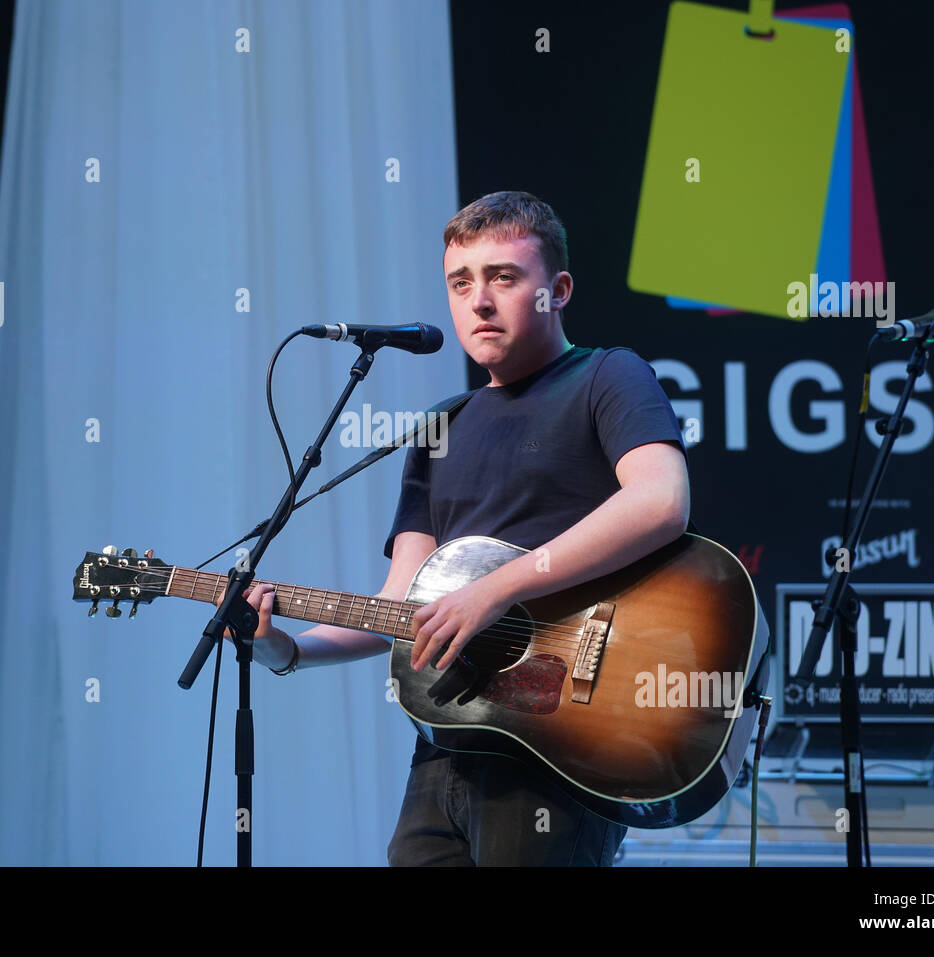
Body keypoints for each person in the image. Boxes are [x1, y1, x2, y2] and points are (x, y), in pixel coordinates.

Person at [225, 190, 690, 866]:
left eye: (504, 276)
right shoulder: (440, 426)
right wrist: (285, 648)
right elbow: (400, 603)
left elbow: (661, 500)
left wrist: (494, 589)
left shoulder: (607, 376)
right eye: (460, 281)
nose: (478, 300)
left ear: (556, 289)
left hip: (560, 742)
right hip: (447, 743)